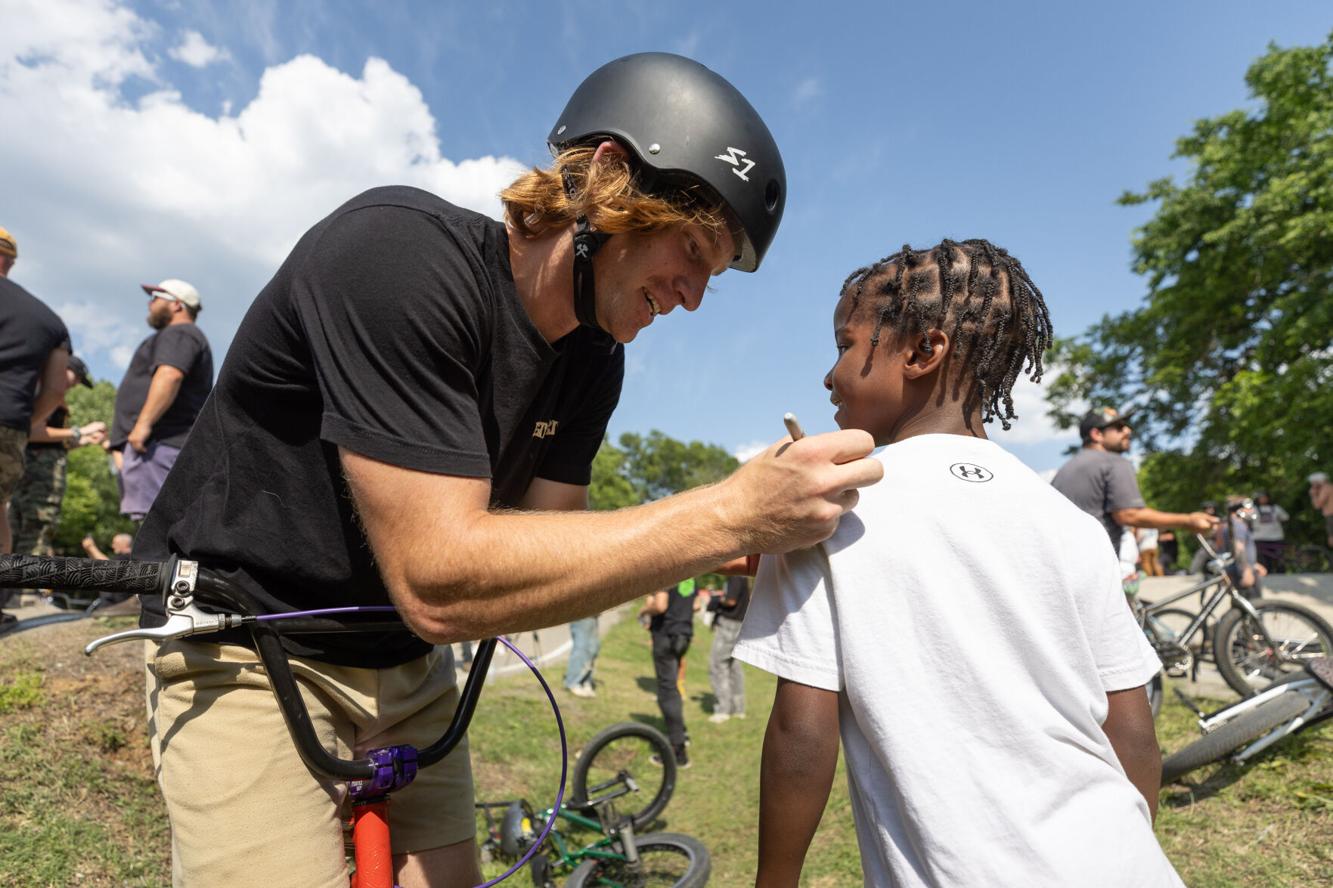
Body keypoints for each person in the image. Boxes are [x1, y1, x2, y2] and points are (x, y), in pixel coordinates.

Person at [131, 53, 881, 888]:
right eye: (693, 248)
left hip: (406, 664)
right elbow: (441, 578)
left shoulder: (594, 359)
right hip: (248, 642)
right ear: (609, 176)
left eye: (713, 272)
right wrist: (729, 514)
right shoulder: (397, 254)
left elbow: (551, 553)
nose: (695, 296)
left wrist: (748, 541)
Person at [734, 239, 1183, 887]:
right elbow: (1133, 732)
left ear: (922, 351)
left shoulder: (821, 509)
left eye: (844, 345)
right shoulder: (1067, 522)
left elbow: (800, 734)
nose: (827, 375)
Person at [0, 226, 70, 623]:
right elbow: (56, 389)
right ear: (9, 261)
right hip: (8, 421)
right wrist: (27, 424)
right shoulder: (47, 318)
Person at [1052, 407, 1217, 564]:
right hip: (1093, 569)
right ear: (1097, 434)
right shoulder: (1113, 462)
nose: (1127, 431)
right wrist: (1188, 521)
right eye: (1118, 427)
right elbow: (1129, 515)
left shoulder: (1065, 470)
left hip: (1061, 568)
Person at [108, 278, 213, 521]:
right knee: (153, 527)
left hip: (158, 445)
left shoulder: (182, 333)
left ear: (177, 305)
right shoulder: (180, 335)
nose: (150, 304)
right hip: (154, 446)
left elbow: (170, 374)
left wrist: (142, 426)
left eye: (156, 298)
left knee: (158, 527)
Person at [9, 355, 105, 563]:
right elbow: (34, 432)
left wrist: (84, 439)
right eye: (76, 377)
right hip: (36, 474)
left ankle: (14, 590)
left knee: (26, 527)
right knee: (35, 527)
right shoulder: (45, 392)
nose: (75, 383)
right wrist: (80, 431)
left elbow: (52, 441)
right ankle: (25, 591)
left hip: (37, 469)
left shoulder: (51, 395)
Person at [640, 578, 698, 767]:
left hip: (666, 634)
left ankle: (677, 751)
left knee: (667, 690)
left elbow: (661, 605)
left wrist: (644, 611)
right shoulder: (692, 573)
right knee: (672, 685)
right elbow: (696, 605)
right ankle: (681, 732)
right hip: (684, 634)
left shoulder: (669, 570)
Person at [707, 573, 749, 723]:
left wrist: (717, 600)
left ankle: (722, 710)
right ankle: (738, 709)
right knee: (733, 667)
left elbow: (730, 601)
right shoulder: (742, 577)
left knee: (717, 665)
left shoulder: (735, 577)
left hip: (729, 626)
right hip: (738, 625)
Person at [1250, 491, 1289, 574]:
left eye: (1265, 497)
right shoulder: (1253, 509)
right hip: (1260, 537)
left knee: (1278, 557)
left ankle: (1279, 572)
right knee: (1263, 558)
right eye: (1261, 498)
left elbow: (1285, 517)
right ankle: (1266, 572)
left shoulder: (1276, 508)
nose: (1263, 499)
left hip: (1276, 537)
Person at [563, 614, 600, 698]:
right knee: (582, 648)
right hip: (582, 614)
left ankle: (585, 681)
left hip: (593, 615)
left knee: (593, 648)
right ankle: (573, 682)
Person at [1308, 472, 1332, 549]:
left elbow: (1317, 505)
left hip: (1331, 516)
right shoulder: (1330, 487)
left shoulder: (1325, 488)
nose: (1312, 486)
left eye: (1313, 483)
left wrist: (1313, 495)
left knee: (1331, 540)